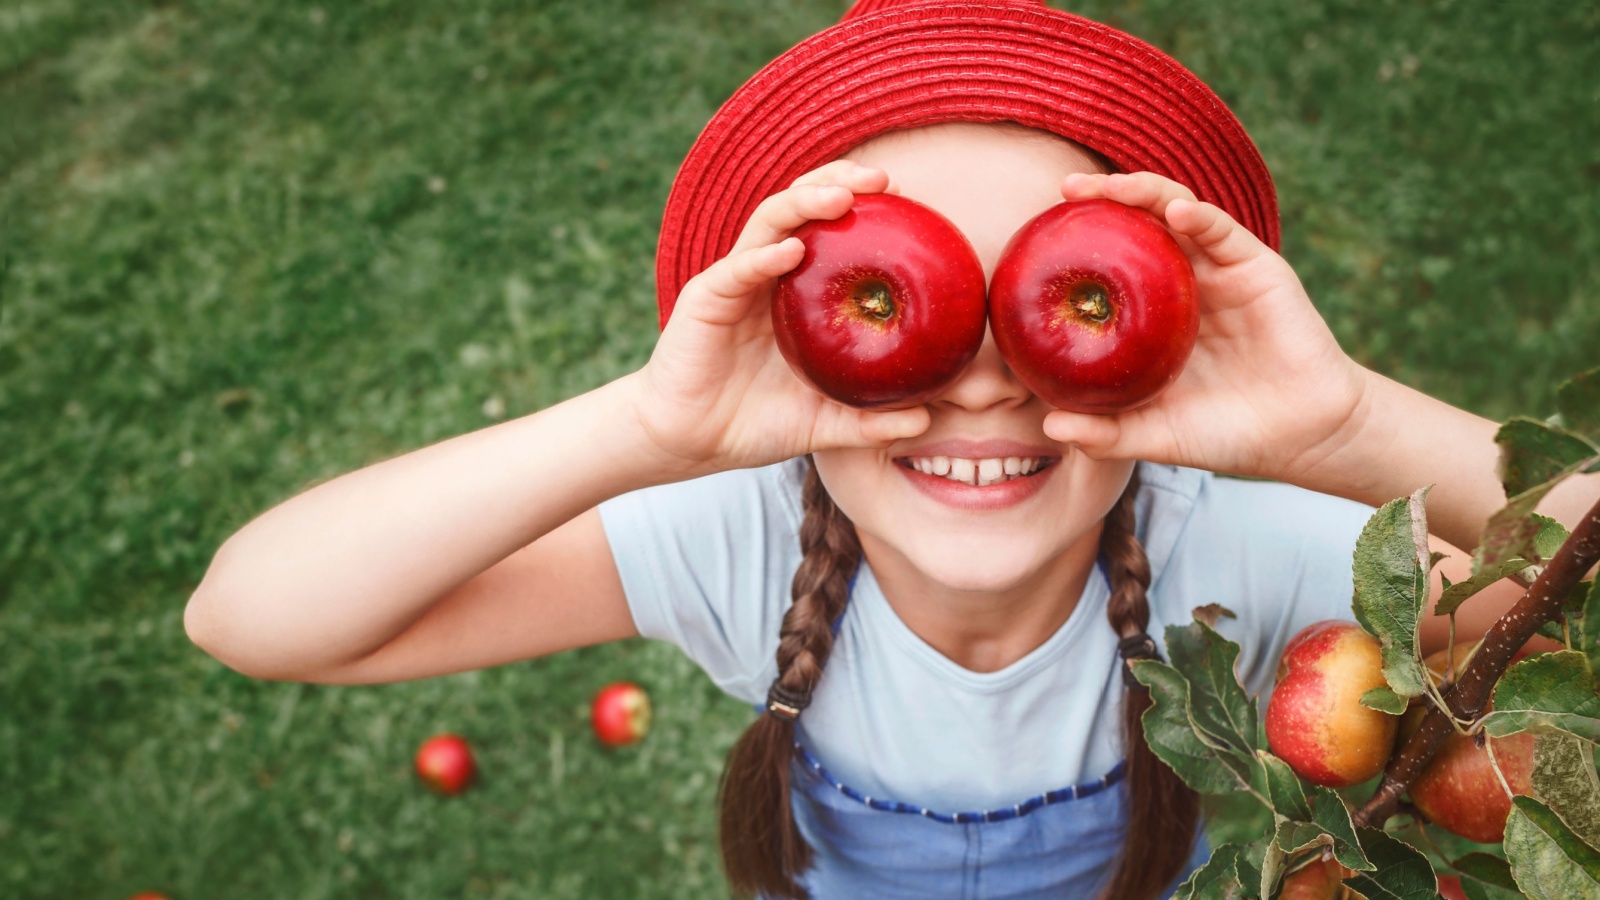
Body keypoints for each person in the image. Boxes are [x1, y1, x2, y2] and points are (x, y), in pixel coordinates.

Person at [183, 2, 1599, 898]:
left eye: (1050, 310)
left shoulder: (1244, 546)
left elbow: (1578, 575)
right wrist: (644, 429)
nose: (980, 385)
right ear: (789, 341)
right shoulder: (733, 539)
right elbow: (254, 613)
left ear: (1160, 337)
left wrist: (1344, 425)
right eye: (900, 317)